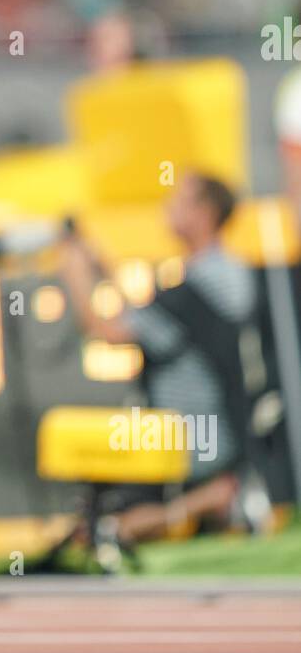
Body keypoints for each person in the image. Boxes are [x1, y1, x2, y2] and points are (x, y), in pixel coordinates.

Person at [58, 171, 257, 556]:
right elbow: (157, 320)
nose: (168, 207)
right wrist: (106, 270)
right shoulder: (228, 273)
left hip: (190, 444)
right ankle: (214, 499)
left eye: (180, 199)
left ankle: (213, 498)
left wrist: (77, 277)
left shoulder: (200, 284)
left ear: (204, 213)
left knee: (99, 530)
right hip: (218, 434)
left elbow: (106, 330)